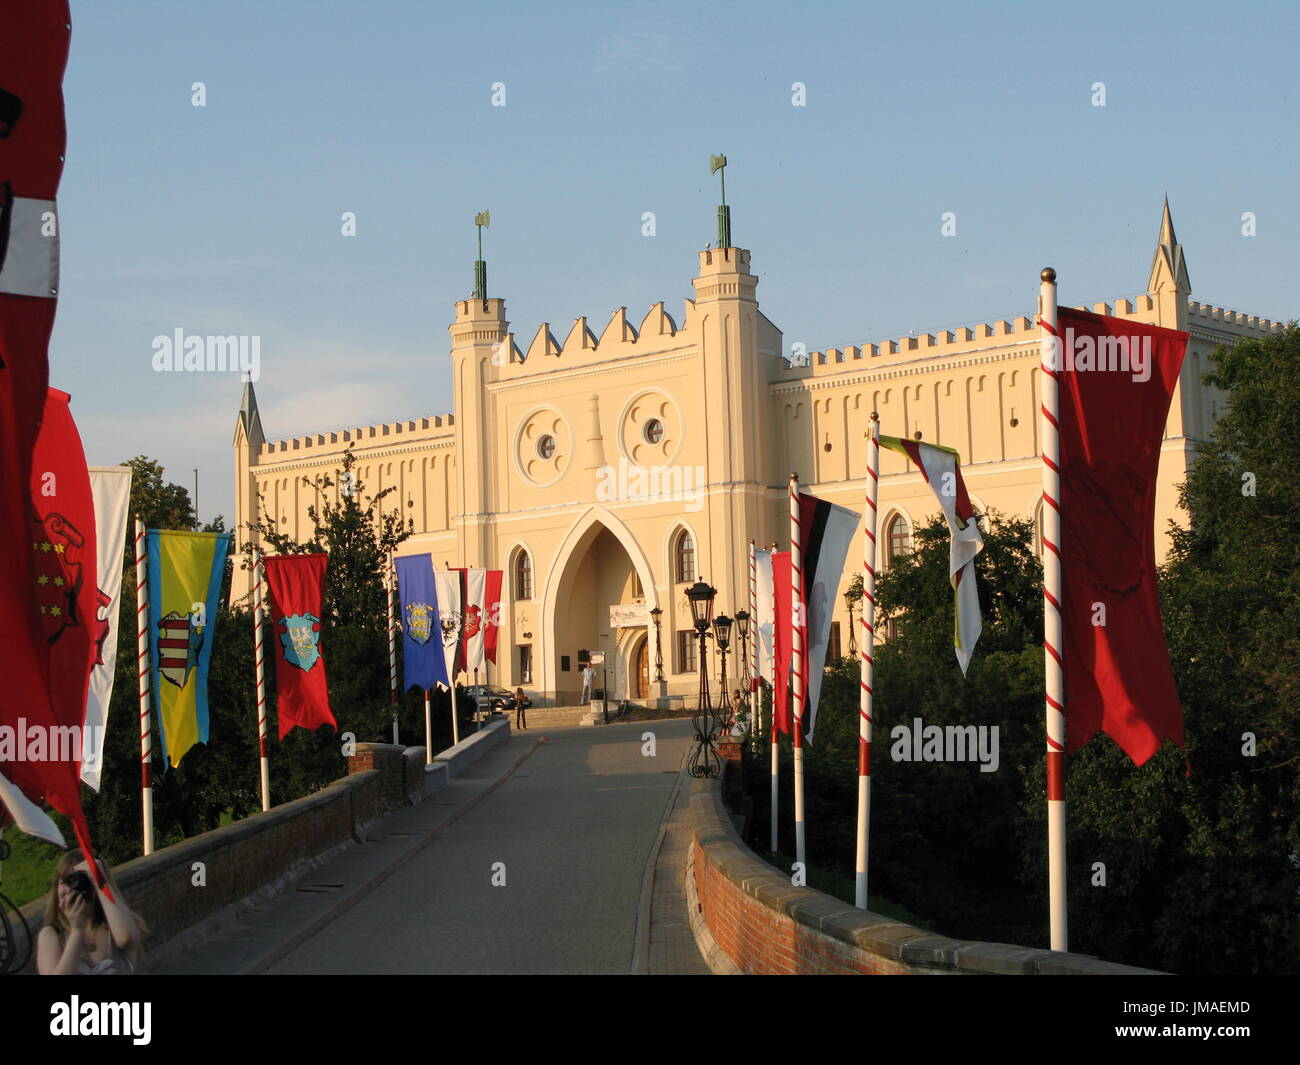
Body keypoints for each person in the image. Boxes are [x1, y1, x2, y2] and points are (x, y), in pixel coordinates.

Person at [38, 850, 146, 975]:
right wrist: (77, 931)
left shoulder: (116, 926)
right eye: (64, 882)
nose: (70, 890)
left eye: (76, 882)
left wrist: (100, 881)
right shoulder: (51, 935)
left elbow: (127, 939)